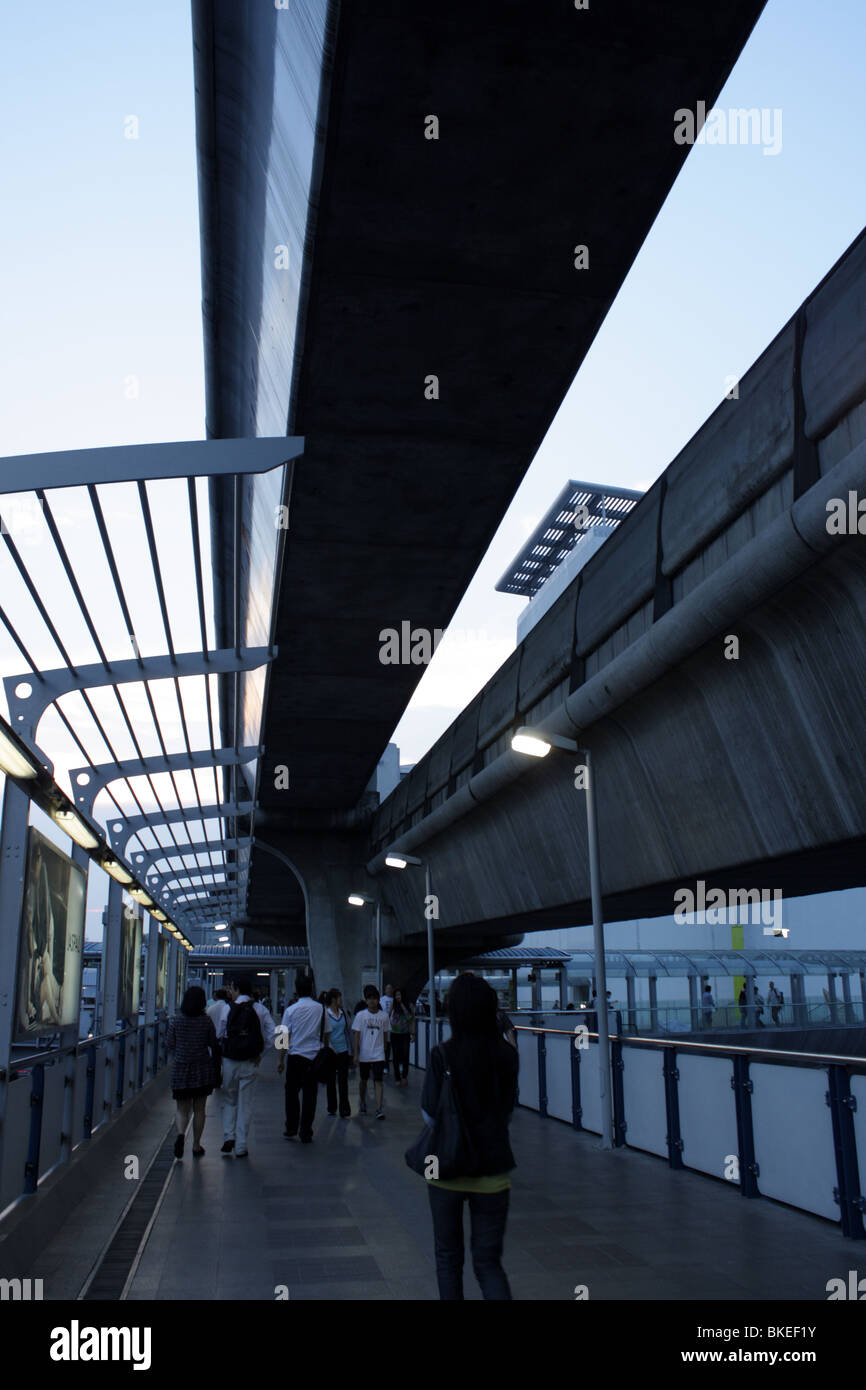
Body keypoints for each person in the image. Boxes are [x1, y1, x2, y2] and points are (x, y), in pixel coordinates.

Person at [419, 972, 519, 1300]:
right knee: (489, 1264)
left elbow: (430, 1114)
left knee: (448, 1259)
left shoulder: (441, 1055)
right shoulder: (507, 1055)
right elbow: (508, 1109)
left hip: (445, 1169)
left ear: (454, 1012)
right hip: (492, 1171)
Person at [216, 972, 275, 1157]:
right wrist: (261, 1053)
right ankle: (241, 1145)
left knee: (229, 1099)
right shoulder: (260, 1009)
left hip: (230, 1061)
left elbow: (220, 1034)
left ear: (237, 989)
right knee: (246, 1103)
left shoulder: (228, 1008)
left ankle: (228, 1136)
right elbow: (274, 1035)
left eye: (231, 989)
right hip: (250, 1061)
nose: (230, 992)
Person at [166, 985, 221, 1158]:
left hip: (181, 1068)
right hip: (201, 1068)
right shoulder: (205, 1021)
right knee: (199, 1108)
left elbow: (170, 1044)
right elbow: (213, 1042)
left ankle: (181, 1134)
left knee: (182, 1108)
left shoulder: (176, 1020)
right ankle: (196, 1145)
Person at [278, 975, 331, 1142]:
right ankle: (306, 1130)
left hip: (295, 1057)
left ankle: (291, 1128)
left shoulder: (290, 1010)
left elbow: (283, 1037)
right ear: (312, 988)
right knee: (310, 1096)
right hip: (314, 1058)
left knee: (291, 1094)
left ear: (296, 989)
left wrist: (280, 1060)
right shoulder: (321, 1008)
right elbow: (327, 1033)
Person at [352, 984, 391, 1118]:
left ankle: (379, 1108)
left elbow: (385, 1034)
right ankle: (363, 1101)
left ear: (378, 999)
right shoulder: (360, 1016)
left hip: (378, 1053)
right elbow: (356, 1035)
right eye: (369, 998)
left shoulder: (384, 1016)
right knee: (364, 1080)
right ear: (366, 1000)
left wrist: (384, 1049)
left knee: (378, 1081)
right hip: (364, 1054)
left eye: (374, 998)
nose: (372, 1001)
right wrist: (356, 1054)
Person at [325, 988, 352, 1117]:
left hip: (343, 1050)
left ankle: (344, 1108)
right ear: (333, 999)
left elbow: (348, 1030)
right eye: (339, 998)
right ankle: (332, 1106)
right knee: (330, 1080)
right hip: (331, 1051)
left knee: (343, 1080)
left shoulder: (343, 1013)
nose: (341, 1000)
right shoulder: (326, 1014)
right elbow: (324, 1034)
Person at [389, 988, 414, 1085]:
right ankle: (397, 1078)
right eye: (396, 995)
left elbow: (409, 1017)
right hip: (395, 1033)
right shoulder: (393, 1004)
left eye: (399, 995)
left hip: (405, 1033)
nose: (398, 997)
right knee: (395, 1055)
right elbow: (388, 1014)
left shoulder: (409, 1005)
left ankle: (404, 1076)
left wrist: (402, 1004)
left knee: (405, 1055)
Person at [381, 984, 395, 1073]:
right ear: (385, 990)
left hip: (395, 1026)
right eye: (387, 989)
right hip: (385, 1026)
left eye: (390, 989)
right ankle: (385, 1066)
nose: (389, 990)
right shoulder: (381, 1000)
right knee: (386, 1046)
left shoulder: (395, 1000)